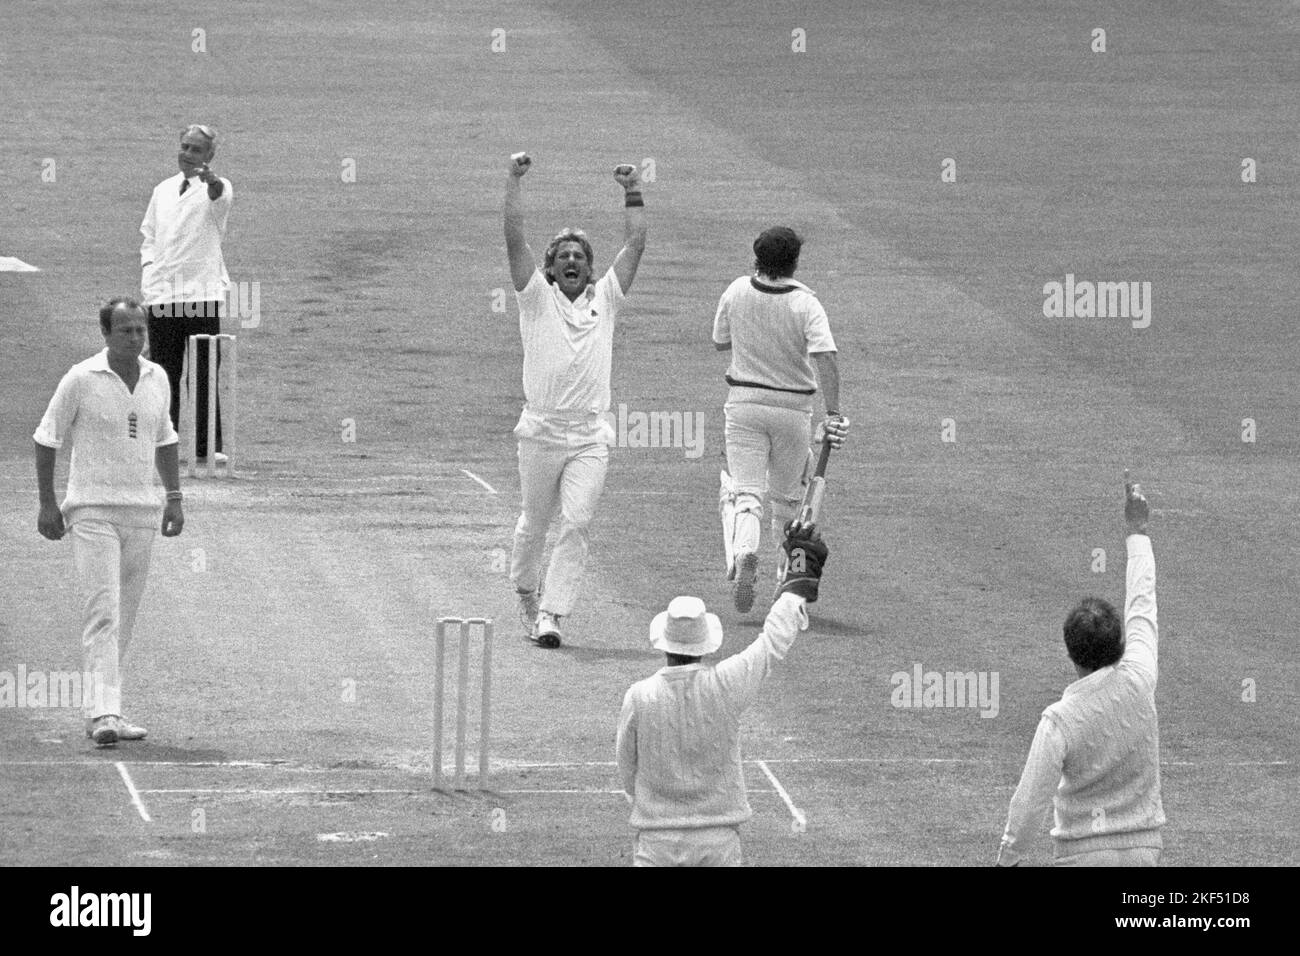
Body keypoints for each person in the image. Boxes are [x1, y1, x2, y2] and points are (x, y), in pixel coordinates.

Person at [617, 521, 828, 866]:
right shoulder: (725, 685)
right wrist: (799, 572)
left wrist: (654, 808)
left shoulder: (639, 697)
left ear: (665, 643)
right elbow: (772, 641)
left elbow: (627, 768)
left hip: (656, 842)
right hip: (718, 844)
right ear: (704, 643)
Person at [503, 152, 647, 647]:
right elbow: (513, 238)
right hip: (540, 431)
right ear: (549, 268)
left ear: (589, 269)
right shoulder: (534, 298)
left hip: (589, 434)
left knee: (577, 523)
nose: (571, 262)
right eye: (562, 256)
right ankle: (525, 589)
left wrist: (632, 190)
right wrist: (514, 181)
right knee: (534, 523)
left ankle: (552, 614)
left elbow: (635, 244)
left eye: (579, 257)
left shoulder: (605, 299)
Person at [34, 298, 185, 747]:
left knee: (125, 616)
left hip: (142, 512)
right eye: (126, 331)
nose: (136, 338)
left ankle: (107, 707)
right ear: (106, 334)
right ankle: (104, 714)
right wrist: (47, 503)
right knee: (103, 613)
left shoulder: (158, 378)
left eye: (141, 330)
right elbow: (47, 439)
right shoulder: (80, 378)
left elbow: (165, 438)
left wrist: (174, 498)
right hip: (92, 511)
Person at [996, 472, 1164, 866]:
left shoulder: (1061, 720)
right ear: (1120, 645)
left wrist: (1008, 859)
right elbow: (1142, 605)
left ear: (1071, 653)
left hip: (1081, 856)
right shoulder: (1140, 678)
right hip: (1145, 853)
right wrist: (1137, 530)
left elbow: (1030, 800)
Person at [713, 227, 848, 613]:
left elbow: (719, 341)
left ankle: (744, 553)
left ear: (756, 258)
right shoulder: (806, 303)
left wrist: (754, 332)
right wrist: (834, 413)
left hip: (744, 405)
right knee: (787, 500)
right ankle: (782, 581)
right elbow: (826, 356)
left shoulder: (737, 290)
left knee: (747, 493)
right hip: (793, 411)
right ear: (795, 261)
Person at [139, 123, 234, 465]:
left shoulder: (218, 189)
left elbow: (218, 194)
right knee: (162, 374)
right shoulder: (162, 190)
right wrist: (150, 275)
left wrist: (210, 180)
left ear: (210, 156)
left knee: (204, 373)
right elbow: (148, 236)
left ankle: (209, 447)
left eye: (196, 149)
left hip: (200, 295)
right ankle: (163, 443)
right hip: (163, 298)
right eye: (185, 147)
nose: (188, 154)